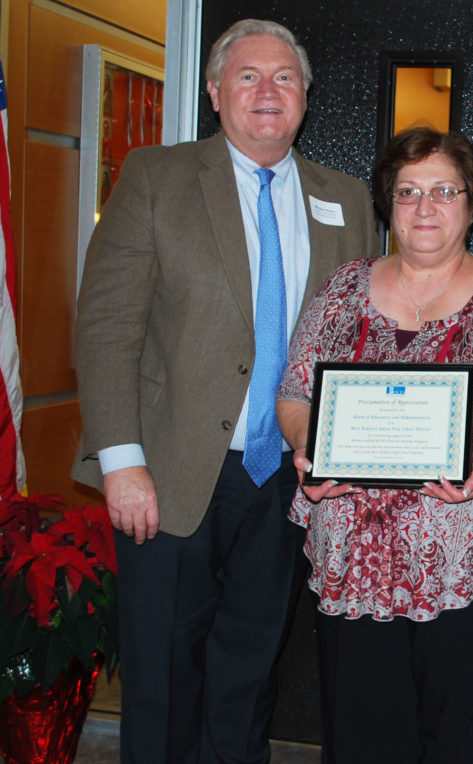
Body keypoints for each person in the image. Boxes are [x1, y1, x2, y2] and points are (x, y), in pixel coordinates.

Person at [73, 19, 377, 763]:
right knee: (164, 678)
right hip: (168, 475)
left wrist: (342, 448)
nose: (267, 92)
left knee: (250, 669)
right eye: (248, 77)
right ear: (214, 93)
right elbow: (107, 324)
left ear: (306, 96)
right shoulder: (157, 176)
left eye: (284, 78)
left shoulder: (348, 199)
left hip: (285, 480)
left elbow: (357, 340)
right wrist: (121, 460)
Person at [275, 126, 473, 764]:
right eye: (407, 192)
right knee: (364, 740)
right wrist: (309, 450)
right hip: (354, 572)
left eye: (444, 191)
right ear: (387, 204)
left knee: (465, 743)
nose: (424, 208)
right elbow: (293, 395)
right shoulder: (343, 288)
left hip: (468, 568)